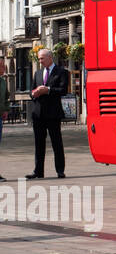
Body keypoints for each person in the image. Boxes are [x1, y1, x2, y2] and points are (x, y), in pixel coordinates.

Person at [27, 48, 69, 179]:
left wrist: (48, 90)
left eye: (42, 58)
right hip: (38, 114)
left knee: (57, 142)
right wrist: (34, 93)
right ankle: (38, 171)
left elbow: (63, 90)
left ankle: (60, 170)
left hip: (53, 113)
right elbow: (31, 91)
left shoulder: (61, 72)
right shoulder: (38, 73)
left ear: (50, 58)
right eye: (39, 59)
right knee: (39, 144)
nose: (40, 61)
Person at [0, 56, 8, 181]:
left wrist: (6, 109)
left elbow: (6, 96)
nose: (4, 68)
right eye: (1, 66)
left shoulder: (2, 81)